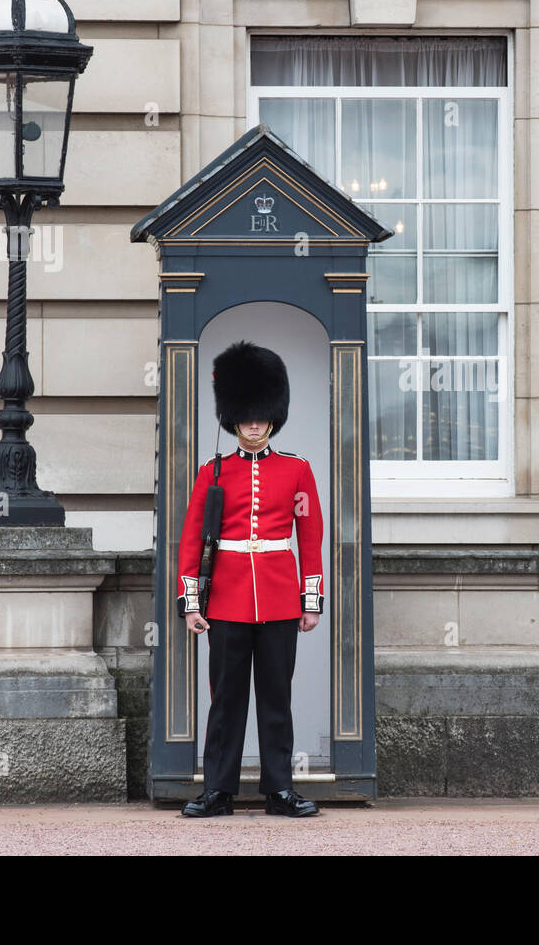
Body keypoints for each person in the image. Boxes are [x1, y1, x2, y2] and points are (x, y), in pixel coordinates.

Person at [176, 340, 325, 818]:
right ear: (234, 419)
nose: (254, 424)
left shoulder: (297, 470)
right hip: (227, 600)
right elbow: (191, 541)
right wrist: (192, 603)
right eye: (246, 417)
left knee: (276, 700)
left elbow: (311, 538)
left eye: (260, 416)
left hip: (281, 599)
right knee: (226, 701)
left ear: (271, 417)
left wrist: (311, 600)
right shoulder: (212, 472)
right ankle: (218, 790)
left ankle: (279, 790)